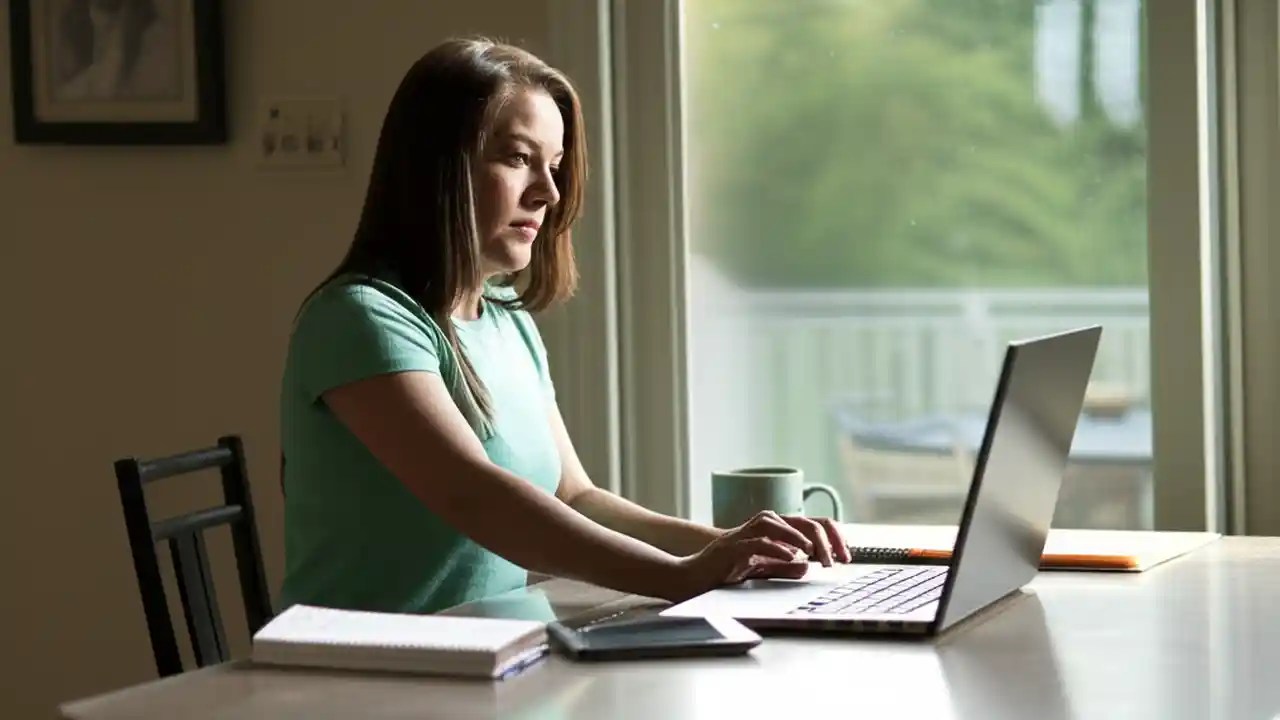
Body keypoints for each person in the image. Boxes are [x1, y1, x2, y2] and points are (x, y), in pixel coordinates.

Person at [278, 37, 852, 615]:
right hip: (364, 673)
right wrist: (683, 579)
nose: (549, 192)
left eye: (552, 166)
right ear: (436, 165)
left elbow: (576, 496)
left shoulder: (507, 322)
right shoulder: (360, 318)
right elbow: (476, 498)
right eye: (517, 158)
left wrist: (736, 547)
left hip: (483, 654)